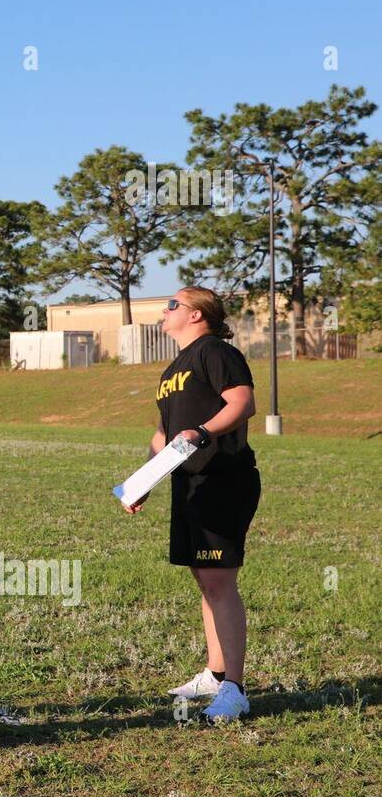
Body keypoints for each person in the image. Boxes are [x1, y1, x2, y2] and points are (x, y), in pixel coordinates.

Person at [123, 287, 260, 722]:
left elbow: (242, 402)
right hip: (190, 485)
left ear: (197, 314)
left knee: (220, 581)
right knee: (206, 580)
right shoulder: (173, 368)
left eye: (172, 305)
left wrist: (203, 432)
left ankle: (235, 689)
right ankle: (215, 673)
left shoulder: (214, 352)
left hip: (223, 479)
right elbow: (162, 435)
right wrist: (142, 481)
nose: (164, 311)